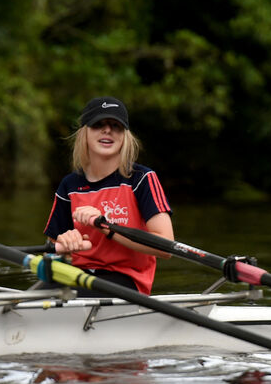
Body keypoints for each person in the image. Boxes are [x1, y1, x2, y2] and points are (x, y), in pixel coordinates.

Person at [43, 96, 173, 295]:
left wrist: (106, 227)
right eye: (98, 124)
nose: (107, 130)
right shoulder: (69, 184)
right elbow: (51, 251)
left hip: (126, 278)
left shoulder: (141, 179)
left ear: (125, 135)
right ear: (84, 133)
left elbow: (166, 246)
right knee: (35, 296)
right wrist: (66, 244)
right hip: (76, 274)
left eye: (116, 125)